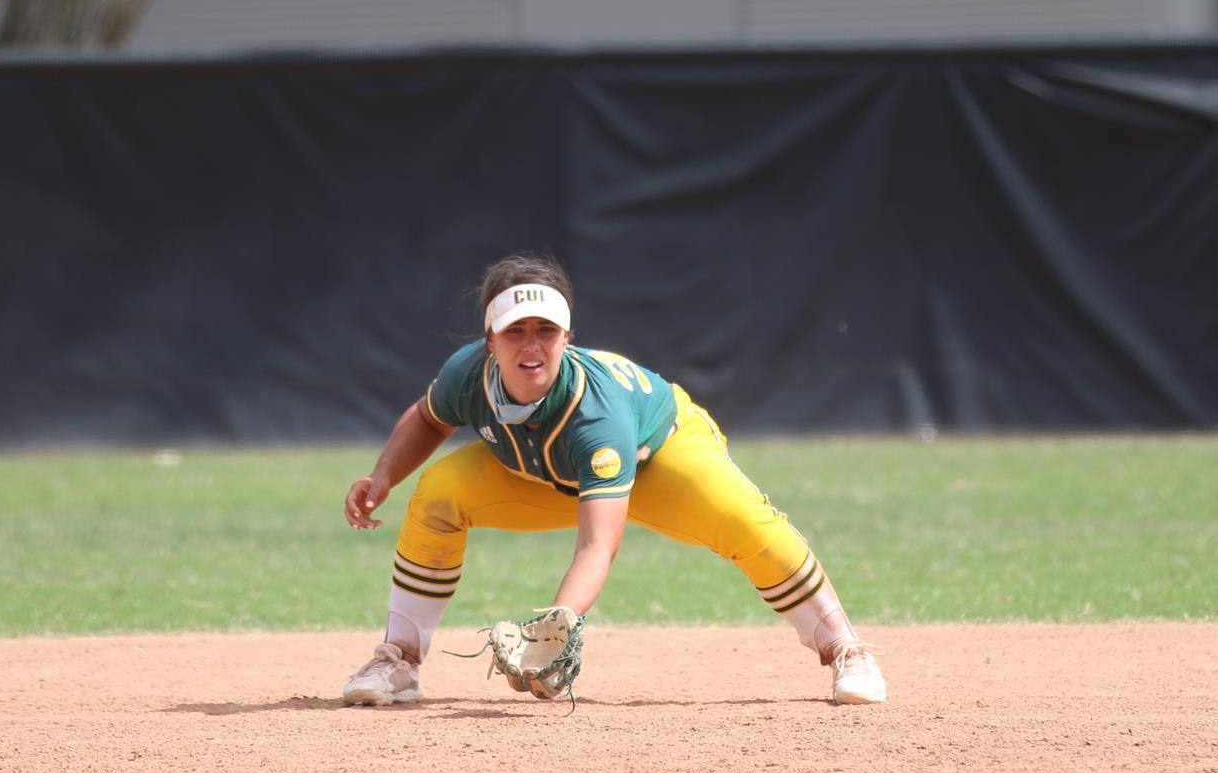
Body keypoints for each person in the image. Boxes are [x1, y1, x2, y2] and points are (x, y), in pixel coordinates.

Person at [340, 252, 886, 707]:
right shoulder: (469, 374)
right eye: (515, 331)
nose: (531, 345)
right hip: (544, 475)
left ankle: (845, 648)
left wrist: (555, 625)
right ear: (490, 340)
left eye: (546, 330)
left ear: (567, 336)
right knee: (437, 494)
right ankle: (399, 661)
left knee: (744, 521)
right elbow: (430, 417)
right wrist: (384, 474)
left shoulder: (595, 415)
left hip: (660, 454)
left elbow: (599, 544)